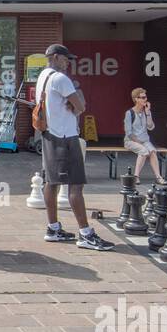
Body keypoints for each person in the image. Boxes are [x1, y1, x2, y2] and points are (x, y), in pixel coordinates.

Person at [36, 44, 113, 250]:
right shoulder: (61, 79)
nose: (68, 62)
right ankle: (86, 234)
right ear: (54, 57)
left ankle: (53, 228)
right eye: (65, 58)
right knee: (75, 185)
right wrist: (77, 103)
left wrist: (72, 103)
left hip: (49, 135)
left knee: (51, 183)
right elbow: (80, 106)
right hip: (65, 137)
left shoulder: (43, 76)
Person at [124, 88, 165, 184]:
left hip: (145, 140)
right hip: (131, 141)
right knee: (144, 151)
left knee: (153, 152)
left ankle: (158, 177)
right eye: (142, 97)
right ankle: (136, 176)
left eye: (145, 97)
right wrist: (139, 142)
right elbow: (129, 133)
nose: (145, 99)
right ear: (136, 99)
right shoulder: (129, 113)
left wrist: (148, 113)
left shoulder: (146, 112)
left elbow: (151, 127)